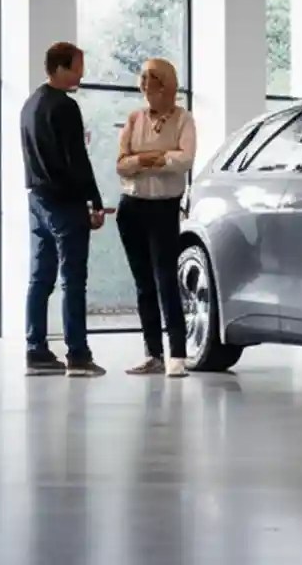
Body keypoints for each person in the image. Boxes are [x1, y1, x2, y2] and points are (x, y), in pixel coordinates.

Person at [21, 42, 108, 377]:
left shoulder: (29, 105)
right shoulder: (65, 107)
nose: (81, 74)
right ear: (59, 68)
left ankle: (36, 350)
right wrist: (94, 202)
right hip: (66, 203)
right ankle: (78, 355)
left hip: (37, 199)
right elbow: (77, 161)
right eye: (77, 67)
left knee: (40, 278)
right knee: (74, 280)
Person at [116, 58, 197, 378]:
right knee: (143, 284)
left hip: (164, 208)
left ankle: (177, 354)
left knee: (166, 280)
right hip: (131, 207)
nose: (145, 88)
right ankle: (153, 354)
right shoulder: (134, 118)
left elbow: (185, 159)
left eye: (150, 81)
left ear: (166, 85)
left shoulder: (183, 119)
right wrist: (156, 158)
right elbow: (121, 164)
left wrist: (148, 159)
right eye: (143, 82)